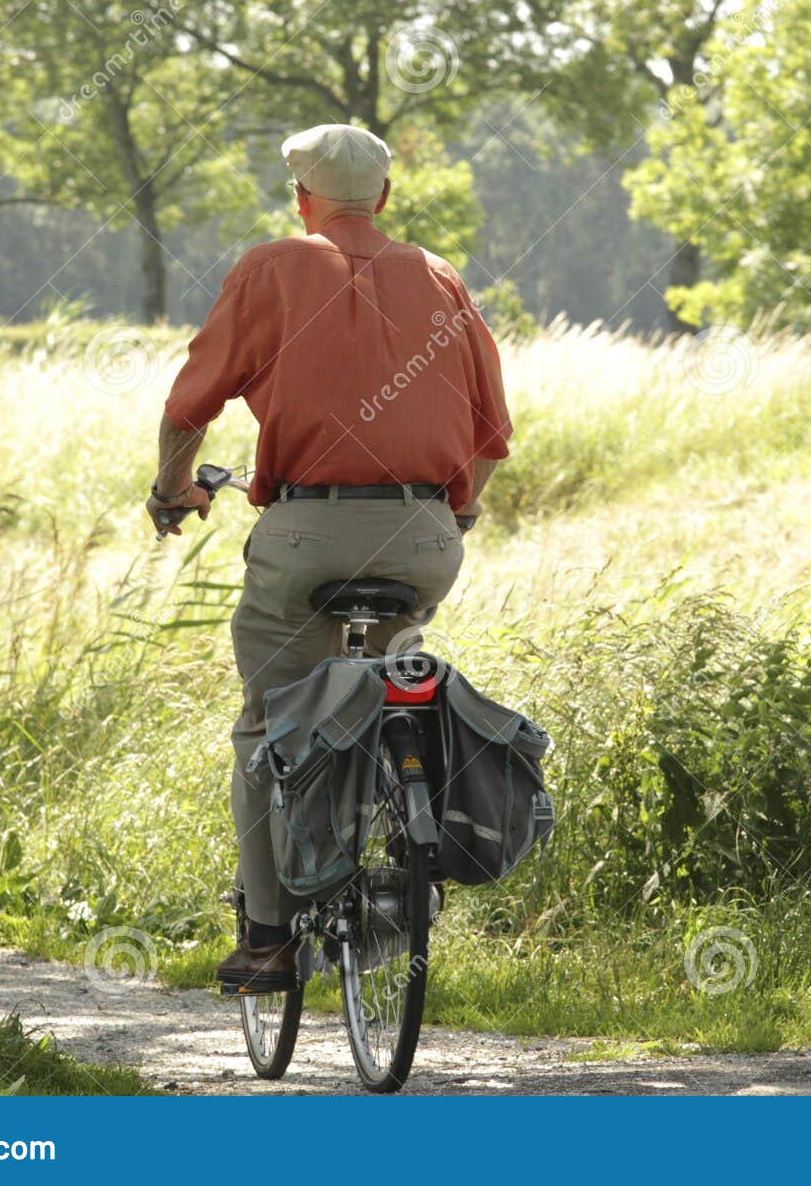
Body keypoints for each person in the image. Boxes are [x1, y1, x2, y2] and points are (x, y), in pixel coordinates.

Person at [146, 123, 512, 991]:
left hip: (306, 538)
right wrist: (455, 514)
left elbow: (190, 408)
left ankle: (270, 939)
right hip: (424, 538)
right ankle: (402, 817)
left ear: (301, 198)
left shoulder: (271, 268)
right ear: (382, 196)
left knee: (269, 722)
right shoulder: (440, 277)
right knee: (390, 672)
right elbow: (492, 433)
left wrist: (173, 488)